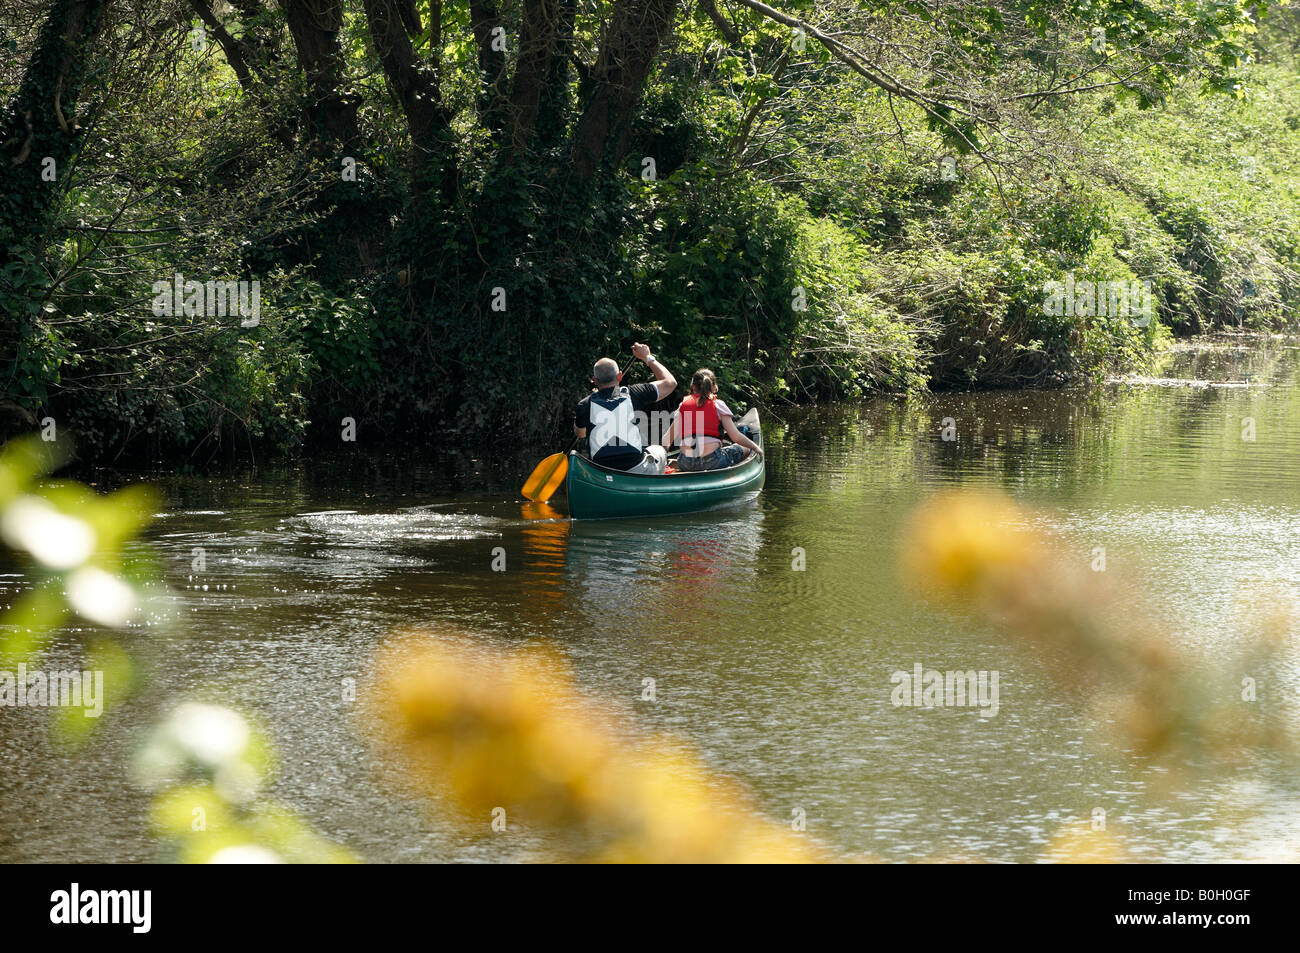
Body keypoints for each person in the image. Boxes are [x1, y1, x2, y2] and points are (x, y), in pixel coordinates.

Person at [573, 342, 676, 474]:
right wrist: (648, 357)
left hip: (601, 471)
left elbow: (580, 433)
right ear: (620, 376)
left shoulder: (584, 404)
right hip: (636, 469)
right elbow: (670, 383)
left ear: (595, 380)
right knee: (659, 450)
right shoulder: (634, 393)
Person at [662, 368, 762, 471]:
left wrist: (663, 461)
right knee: (745, 448)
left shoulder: (683, 406)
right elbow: (736, 437)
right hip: (713, 462)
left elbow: (666, 441)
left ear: (693, 386)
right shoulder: (718, 405)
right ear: (714, 387)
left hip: (686, 462)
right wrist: (755, 447)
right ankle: (733, 473)